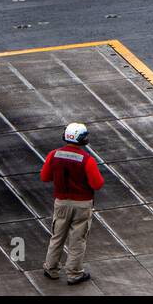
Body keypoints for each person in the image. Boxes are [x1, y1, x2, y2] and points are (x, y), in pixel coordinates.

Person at [40, 122, 104, 285]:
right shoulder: (87, 160)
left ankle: (51, 269)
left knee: (57, 236)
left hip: (61, 203)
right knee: (77, 239)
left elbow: (45, 177)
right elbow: (97, 184)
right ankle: (74, 274)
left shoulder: (54, 155)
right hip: (82, 205)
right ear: (82, 139)